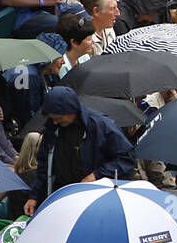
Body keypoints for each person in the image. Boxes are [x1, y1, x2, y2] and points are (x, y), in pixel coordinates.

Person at [23, 87, 134, 215]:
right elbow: (44, 167)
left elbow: (126, 158)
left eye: (58, 118)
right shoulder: (52, 129)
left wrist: (96, 175)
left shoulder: (101, 126)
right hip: (63, 196)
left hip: (96, 198)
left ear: (71, 110)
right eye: (52, 118)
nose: (55, 122)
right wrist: (34, 196)